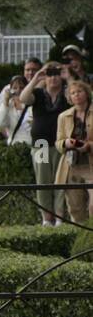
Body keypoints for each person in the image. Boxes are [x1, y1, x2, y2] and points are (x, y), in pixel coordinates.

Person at [18, 62, 69, 226]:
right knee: (43, 181)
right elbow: (23, 98)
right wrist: (36, 78)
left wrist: (69, 76)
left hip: (62, 143)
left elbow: (83, 98)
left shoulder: (67, 93)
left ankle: (60, 216)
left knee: (61, 180)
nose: (53, 77)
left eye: (56, 74)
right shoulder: (39, 94)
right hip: (41, 143)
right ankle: (47, 218)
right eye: (50, 74)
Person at [55, 80, 93, 226]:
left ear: (87, 93)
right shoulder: (63, 116)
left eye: (79, 91)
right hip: (72, 166)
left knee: (92, 207)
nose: (76, 95)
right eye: (73, 93)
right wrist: (66, 143)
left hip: (90, 166)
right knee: (76, 208)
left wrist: (89, 146)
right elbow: (58, 142)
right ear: (69, 97)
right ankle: (80, 241)